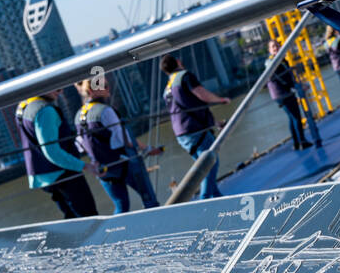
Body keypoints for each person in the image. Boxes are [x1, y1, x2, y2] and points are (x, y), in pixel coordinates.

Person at [74, 78, 160, 214]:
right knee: (150, 201)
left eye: (107, 85)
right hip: (125, 163)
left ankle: (117, 233)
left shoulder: (78, 115)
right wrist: (147, 148)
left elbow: (80, 145)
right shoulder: (105, 110)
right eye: (104, 86)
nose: (108, 88)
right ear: (91, 91)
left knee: (121, 207)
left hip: (102, 168)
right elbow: (124, 139)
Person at [15, 92, 98, 219]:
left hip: (44, 176)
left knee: (72, 219)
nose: (60, 90)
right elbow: (51, 151)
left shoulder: (23, 106)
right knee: (90, 218)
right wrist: (84, 166)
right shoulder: (45, 110)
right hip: (64, 173)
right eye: (56, 87)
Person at [161, 54, 230, 199]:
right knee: (210, 164)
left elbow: (187, 106)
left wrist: (215, 123)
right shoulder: (185, 76)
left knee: (204, 166)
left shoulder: (168, 85)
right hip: (195, 131)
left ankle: (216, 196)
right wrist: (221, 100)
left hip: (182, 134)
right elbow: (202, 95)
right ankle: (204, 199)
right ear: (178, 62)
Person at [266, 41, 316, 150]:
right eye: (273, 47)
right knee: (296, 117)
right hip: (283, 93)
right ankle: (302, 141)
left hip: (279, 94)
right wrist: (298, 87)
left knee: (292, 118)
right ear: (269, 50)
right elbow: (285, 79)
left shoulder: (274, 61)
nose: (276, 48)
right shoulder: (276, 62)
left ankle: (296, 143)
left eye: (277, 46)